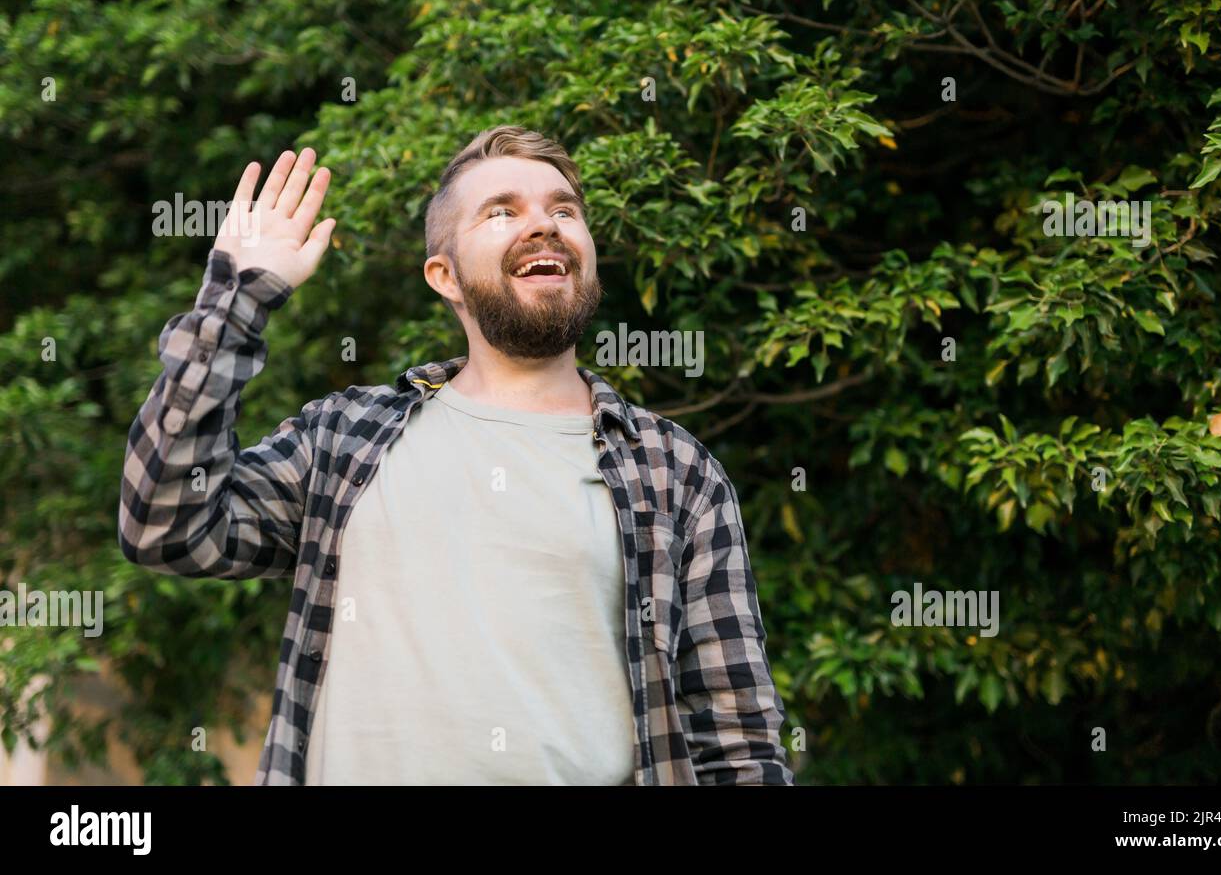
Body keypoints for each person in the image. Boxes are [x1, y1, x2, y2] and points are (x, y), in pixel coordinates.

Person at [118, 125, 795, 786]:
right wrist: (237, 303)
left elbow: (738, 740)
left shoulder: (672, 470)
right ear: (444, 276)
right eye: (502, 211)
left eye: (564, 210)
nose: (545, 224)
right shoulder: (345, 439)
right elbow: (165, 526)